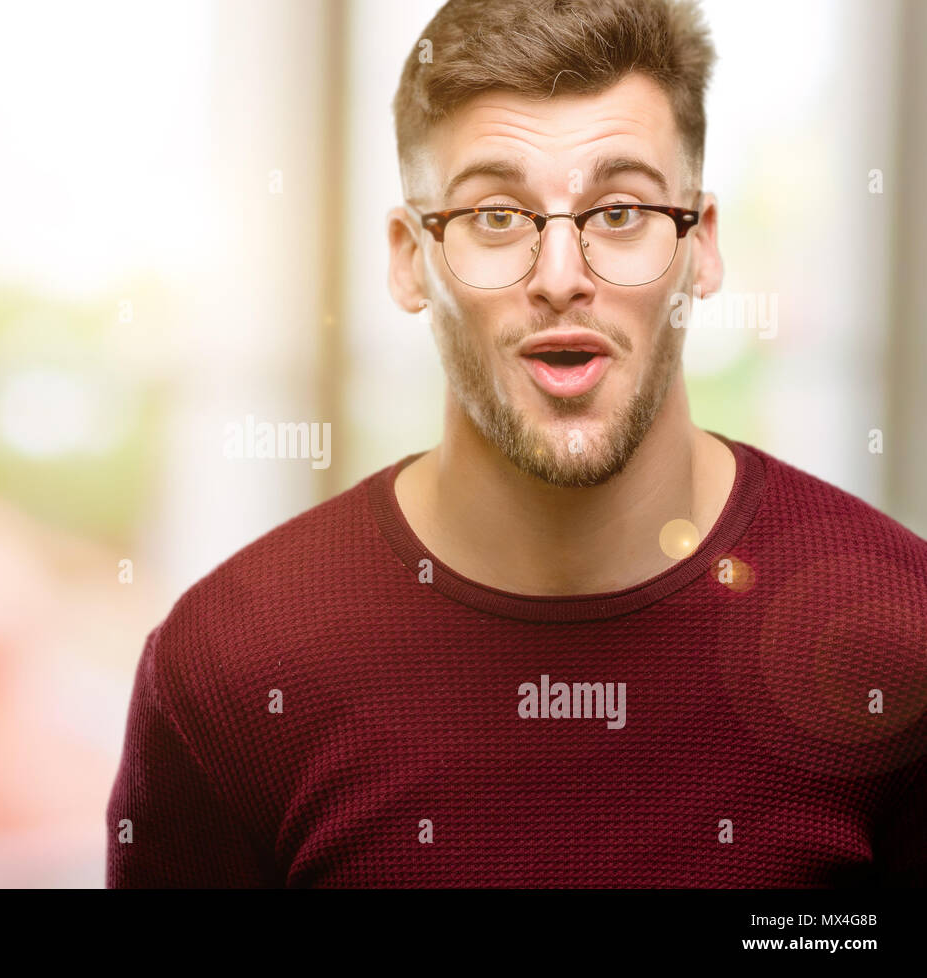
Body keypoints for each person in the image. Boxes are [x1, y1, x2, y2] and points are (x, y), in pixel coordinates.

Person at [106, 0, 927, 887]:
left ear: (705, 246)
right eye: (497, 216)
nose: (561, 279)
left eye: (620, 211)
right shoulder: (230, 670)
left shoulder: (904, 638)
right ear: (408, 257)